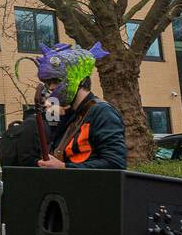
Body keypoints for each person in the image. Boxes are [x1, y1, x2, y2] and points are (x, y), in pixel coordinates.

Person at [34, 42, 127, 170]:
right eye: (47, 83)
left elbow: (115, 163)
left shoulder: (102, 112)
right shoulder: (70, 115)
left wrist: (64, 167)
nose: (51, 88)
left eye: (56, 81)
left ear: (79, 80)